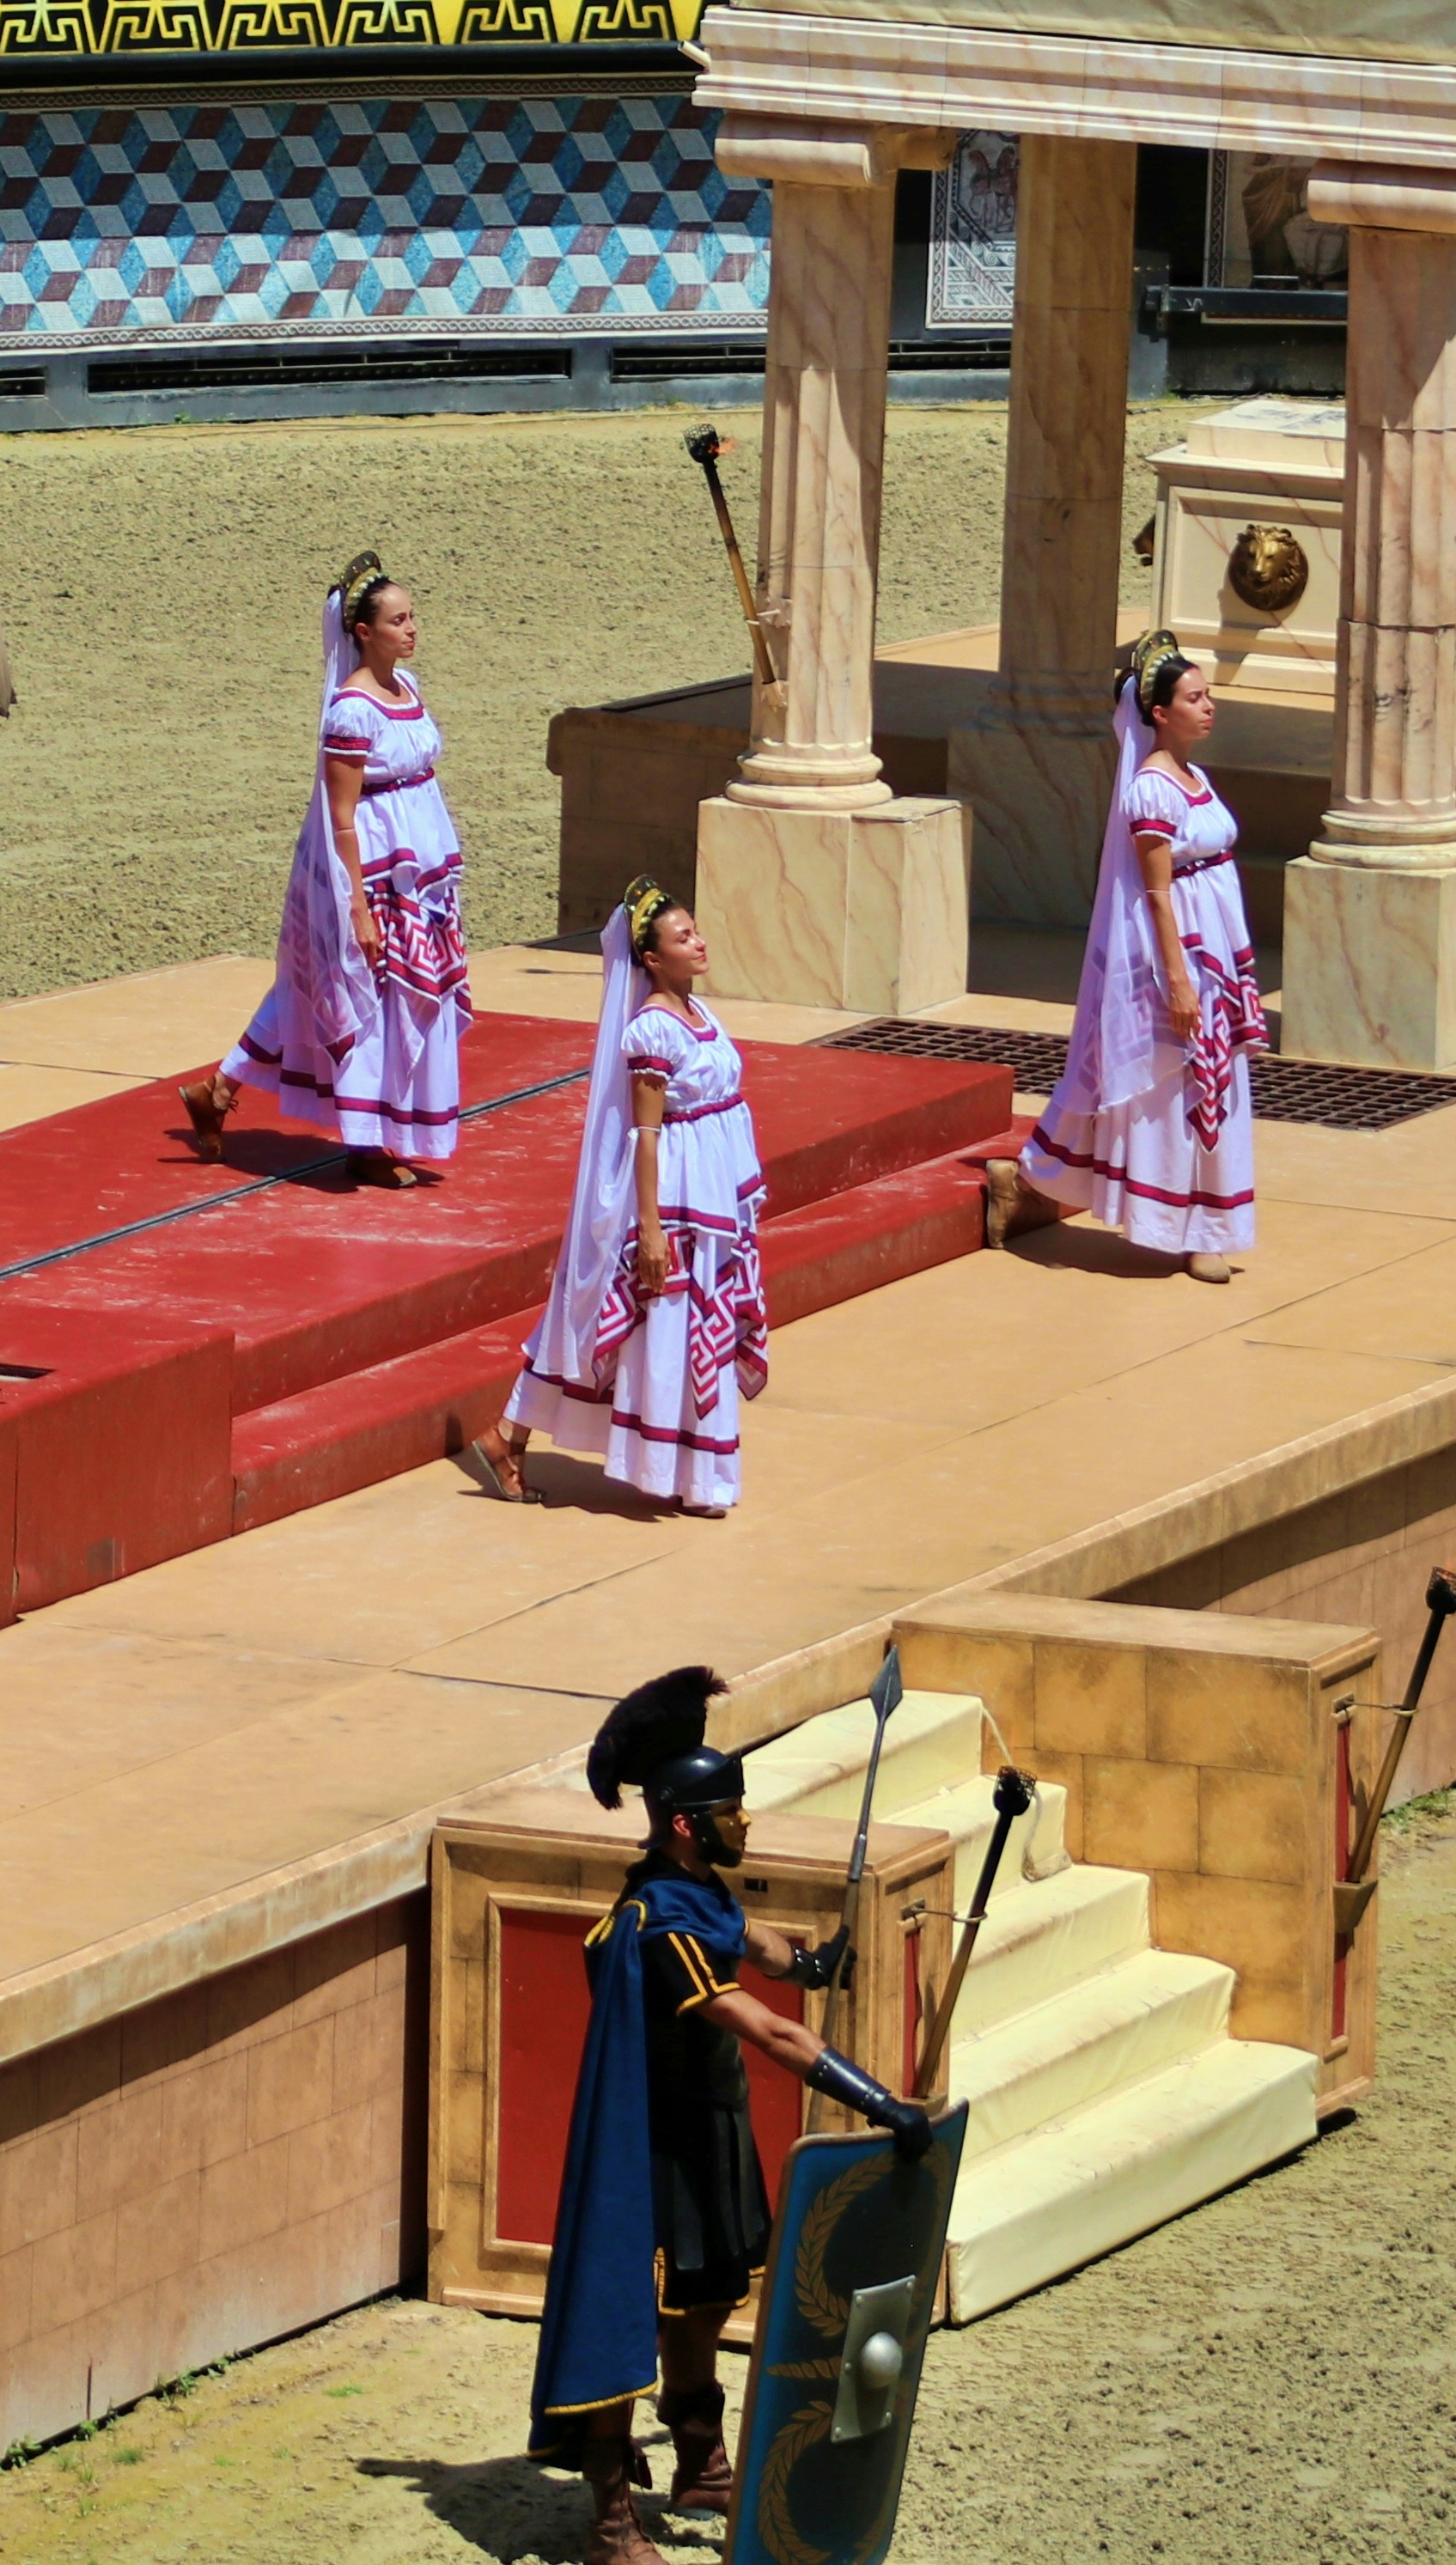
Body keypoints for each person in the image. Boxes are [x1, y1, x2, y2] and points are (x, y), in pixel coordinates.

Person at [526, 1666, 923, 2564]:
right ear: (682, 1823)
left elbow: (759, 1946)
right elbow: (768, 2030)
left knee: (704, 2305)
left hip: (713, 2134)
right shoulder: (658, 1923)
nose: (743, 1823)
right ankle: (611, 2519)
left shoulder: (699, 1893)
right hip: (655, 2149)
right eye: (729, 1811)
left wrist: (818, 1961)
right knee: (636, 2316)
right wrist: (878, 2102)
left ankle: (701, 2461)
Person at [475, 880, 765, 1514]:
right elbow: (646, 1133)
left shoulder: (701, 1016)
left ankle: (521, 1439)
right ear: (653, 960)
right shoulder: (653, 1032)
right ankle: (675, 1467)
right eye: (683, 937)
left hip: (713, 1198)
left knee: (684, 1326)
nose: (699, 942)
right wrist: (652, 1226)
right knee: (655, 1326)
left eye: (696, 930)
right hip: (678, 1201)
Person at [188, 550, 469, 1186]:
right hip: (373, 871)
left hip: (420, 871)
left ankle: (220, 1089)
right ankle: (367, 1142)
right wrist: (357, 905)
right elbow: (342, 813)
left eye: (413, 617)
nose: (412, 628)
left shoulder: (410, 690)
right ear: (364, 633)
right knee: (367, 996)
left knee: (328, 989)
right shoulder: (351, 711)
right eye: (398, 620)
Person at [986, 631, 1260, 1274]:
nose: (1208, 706)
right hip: (1179, 953)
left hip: (1217, 951)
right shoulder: (1151, 791)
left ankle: (1036, 1182)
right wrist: (1179, 980)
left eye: (1208, 695)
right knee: (1173, 1085)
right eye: (1194, 698)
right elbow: (1159, 892)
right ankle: (1188, 1228)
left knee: (1215, 1081)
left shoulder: (1197, 777)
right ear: (1159, 713)